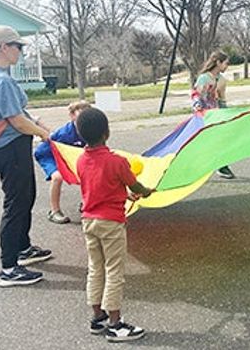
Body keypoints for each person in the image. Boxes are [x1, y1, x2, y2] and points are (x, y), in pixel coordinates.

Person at [0, 25, 53, 287]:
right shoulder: (0, 80)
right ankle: (8, 267)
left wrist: (35, 122)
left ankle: (22, 248)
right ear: (4, 48)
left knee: (25, 197)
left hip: (7, 149)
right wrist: (43, 134)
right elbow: (16, 121)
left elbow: (15, 113)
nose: (21, 51)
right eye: (18, 46)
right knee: (16, 204)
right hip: (11, 149)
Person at [75, 107, 154, 342]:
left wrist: (122, 195)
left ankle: (97, 317)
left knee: (95, 268)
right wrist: (145, 192)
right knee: (114, 271)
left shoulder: (81, 160)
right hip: (110, 224)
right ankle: (115, 324)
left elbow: (99, 186)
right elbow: (135, 185)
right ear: (106, 133)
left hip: (89, 222)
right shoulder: (117, 161)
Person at [33, 100, 92, 224]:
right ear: (72, 116)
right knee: (58, 177)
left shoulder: (88, 130)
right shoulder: (64, 133)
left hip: (67, 156)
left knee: (89, 173)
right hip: (49, 155)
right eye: (79, 116)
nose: (83, 120)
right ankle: (54, 211)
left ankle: (87, 203)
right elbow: (49, 141)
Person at [191, 51, 235, 179]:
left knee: (221, 140)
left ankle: (222, 166)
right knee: (204, 143)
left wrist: (226, 114)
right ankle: (195, 167)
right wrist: (198, 109)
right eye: (225, 63)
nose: (227, 66)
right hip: (203, 115)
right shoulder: (204, 78)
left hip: (216, 115)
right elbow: (196, 96)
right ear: (218, 63)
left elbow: (222, 98)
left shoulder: (222, 80)